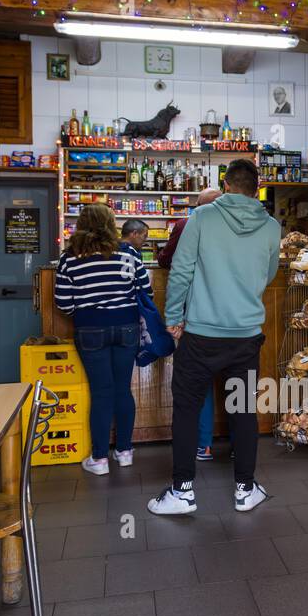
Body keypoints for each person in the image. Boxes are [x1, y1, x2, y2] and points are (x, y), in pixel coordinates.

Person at [148, 159, 280, 515]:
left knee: (187, 408)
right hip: (246, 335)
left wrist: (173, 318)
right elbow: (267, 275)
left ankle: (182, 492)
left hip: (202, 335)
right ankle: (245, 489)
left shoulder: (201, 219)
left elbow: (180, 272)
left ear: (224, 185)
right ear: (258, 188)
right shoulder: (270, 227)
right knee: (243, 411)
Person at [55, 204, 152, 476]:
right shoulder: (129, 253)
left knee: (101, 392)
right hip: (126, 328)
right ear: (111, 225)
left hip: (90, 330)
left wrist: (87, 311)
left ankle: (99, 459)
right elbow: (146, 290)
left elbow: (63, 302)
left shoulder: (70, 257)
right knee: (123, 389)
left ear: (81, 225)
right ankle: (124, 453)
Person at [159, 189, 223, 462]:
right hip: (238, 319)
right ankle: (239, 447)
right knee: (238, 382)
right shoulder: (243, 225)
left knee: (197, 381)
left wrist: (173, 317)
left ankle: (200, 446)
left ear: (198, 207)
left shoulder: (188, 223)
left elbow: (171, 264)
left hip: (197, 315)